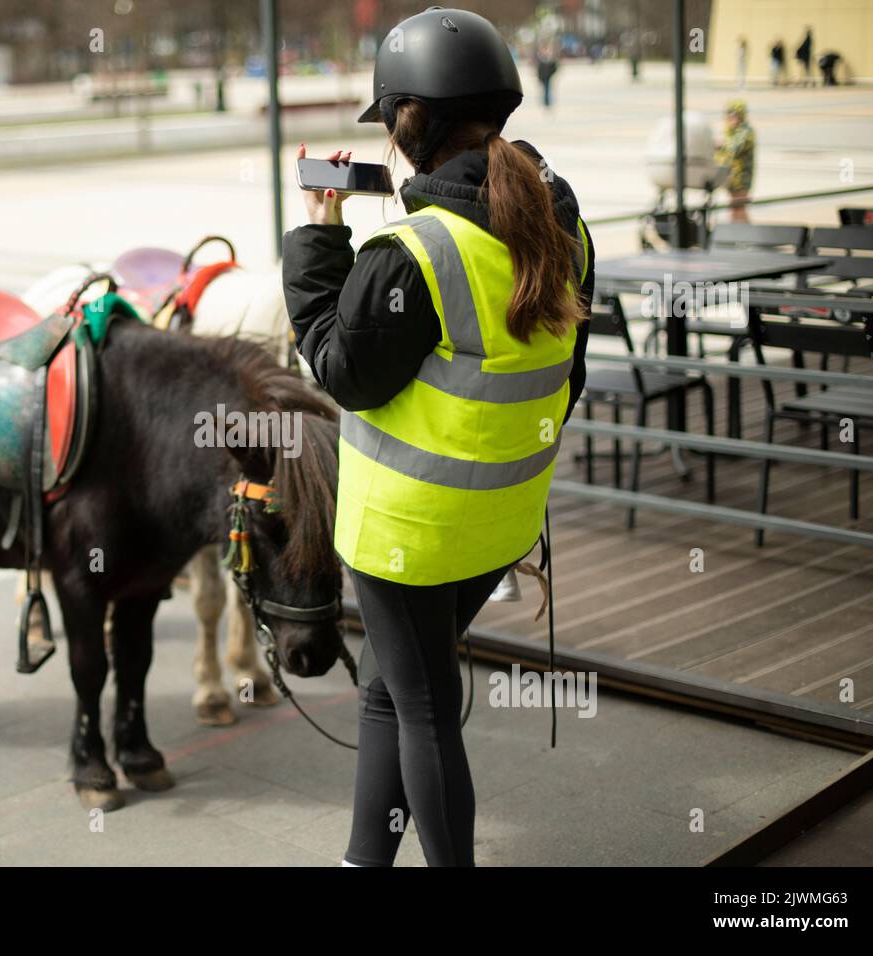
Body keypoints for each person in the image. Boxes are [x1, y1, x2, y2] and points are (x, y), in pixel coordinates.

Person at [282, 7, 594, 867]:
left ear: (409, 125)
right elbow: (567, 376)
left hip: (408, 533)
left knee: (419, 702)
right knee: (393, 686)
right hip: (500, 519)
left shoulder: (411, 251)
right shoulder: (562, 226)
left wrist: (318, 233)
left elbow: (341, 371)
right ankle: (363, 861)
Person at [715, 99, 755, 223]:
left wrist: (721, 145)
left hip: (741, 179)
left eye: (734, 115)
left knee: (738, 207)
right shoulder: (731, 132)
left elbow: (735, 149)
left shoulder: (745, 132)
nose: (730, 118)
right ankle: (737, 233)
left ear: (741, 116)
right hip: (732, 177)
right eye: (729, 115)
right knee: (735, 207)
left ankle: (744, 234)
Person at [535, 41, 558, 110]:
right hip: (543, 77)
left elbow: (554, 67)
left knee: (547, 90)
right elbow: (539, 69)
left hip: (548, 77)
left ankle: (547, 102)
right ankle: (546, 102)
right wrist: (539, 77)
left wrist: (551, 74)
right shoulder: (541, 59)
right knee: (545, 90)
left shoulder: (550, 59)